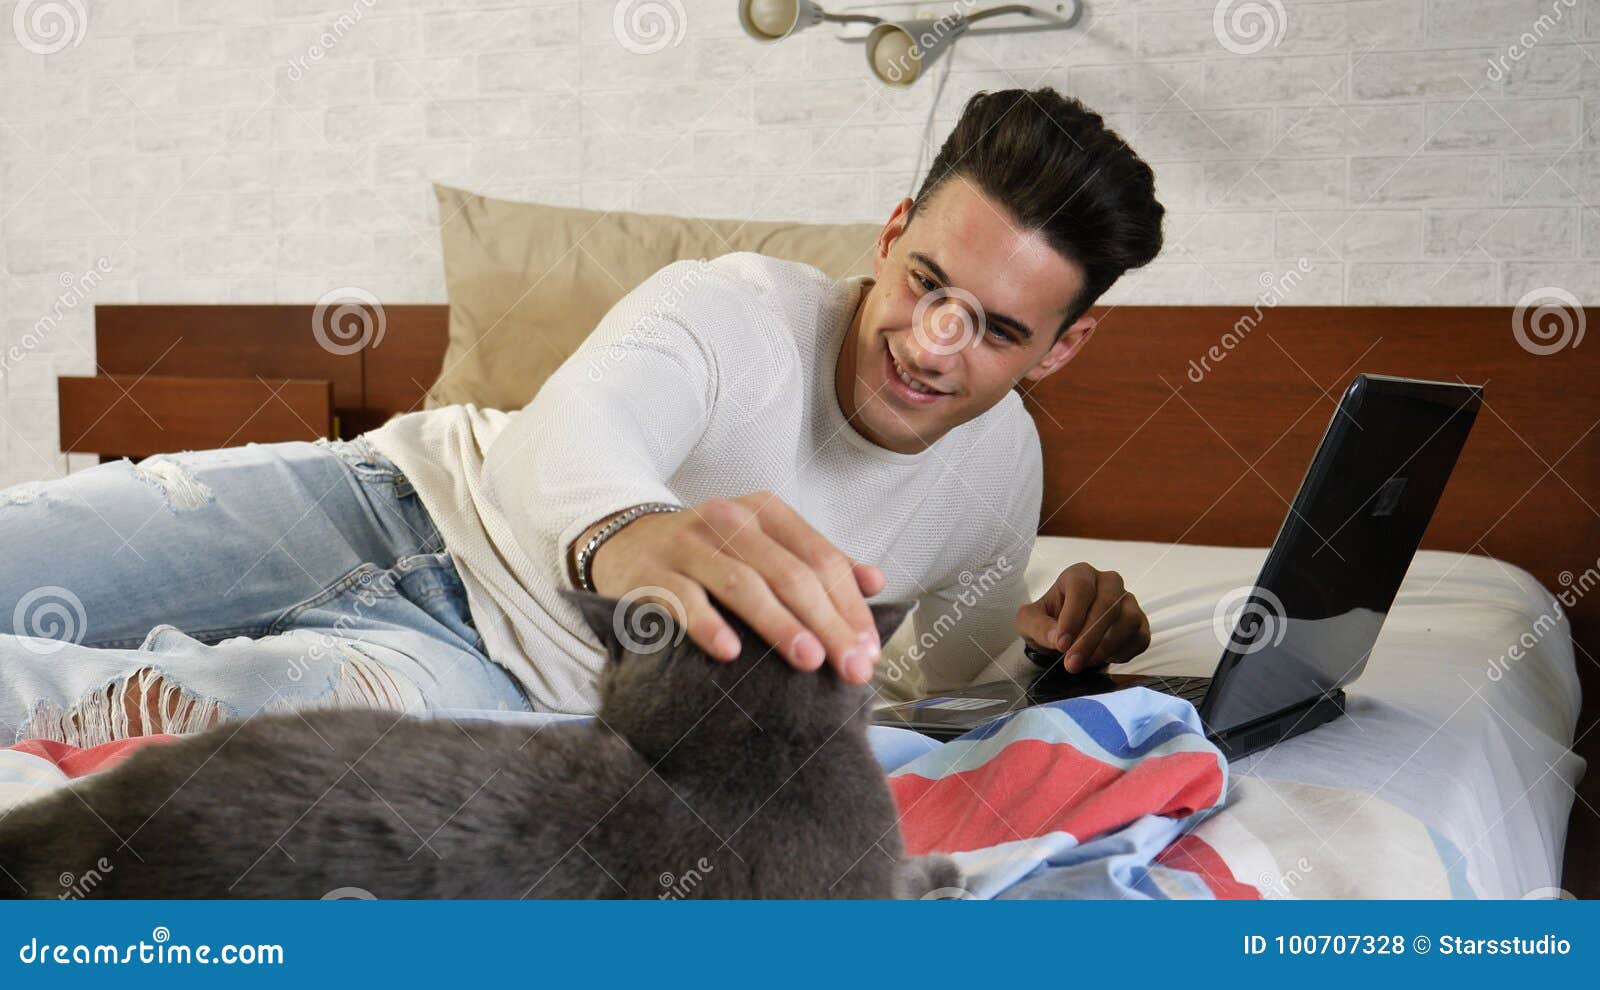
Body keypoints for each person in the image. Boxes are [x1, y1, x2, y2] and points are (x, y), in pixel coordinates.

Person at [0, 87, 1162, 745]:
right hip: (381, 503)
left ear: (1062, 347)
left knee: (178, 719)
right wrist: (640, 537)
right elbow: (568, 437)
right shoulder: (734, 308)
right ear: (892, 231)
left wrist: (1053, 643)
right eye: (925, 283)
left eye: (995, 330)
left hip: (500, 677)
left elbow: (933, 688)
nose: (930, 344)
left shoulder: (999, 477)